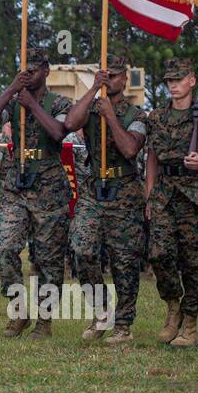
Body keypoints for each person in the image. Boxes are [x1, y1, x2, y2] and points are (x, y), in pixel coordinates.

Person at [0, 47, 73, 338]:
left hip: (48, 186)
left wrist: (32, 105)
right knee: (5, 249)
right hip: (16, 185)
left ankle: (44, 320)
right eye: (25, 69)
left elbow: (58, 133)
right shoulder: (15, 100)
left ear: (46, 71)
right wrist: (11, 90)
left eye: (34, 70)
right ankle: (18, 310)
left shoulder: (58, 101)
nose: (28, 74)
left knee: (47, 257)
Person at [143, 57, 198, 347]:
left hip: (197, 197)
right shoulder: (156, 118)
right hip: (165, 194)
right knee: (158, 253)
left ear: (192, 81)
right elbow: (152, 159)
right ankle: (173, 306)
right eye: (169, 81)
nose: (173, 85)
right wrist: (149, 196)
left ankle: (190, 323)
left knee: (196, 262)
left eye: (179, 79)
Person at [64, 52, 147, 343]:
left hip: (124, 191)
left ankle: (123, 324)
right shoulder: (92, 106)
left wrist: (111, 116)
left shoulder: (136, 115)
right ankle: (101, 312)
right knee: (82, 250)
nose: (108, 80)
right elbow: (70, 123)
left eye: (112, 75)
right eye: (104, 75)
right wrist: (91, 90)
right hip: (93, 189)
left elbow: (129, 150)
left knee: (124, 261)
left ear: (124, 78)